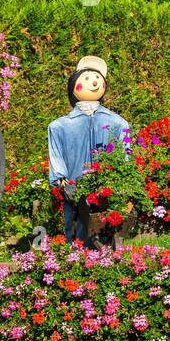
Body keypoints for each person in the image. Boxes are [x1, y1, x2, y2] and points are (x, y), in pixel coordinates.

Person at [47, 56, 129, 245]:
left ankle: (107, 253)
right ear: (73, 86)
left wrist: (123, 173)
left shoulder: (117, 122)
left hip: (106, 183)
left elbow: (125, 151)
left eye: (96, 78)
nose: (93, 82)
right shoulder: (59, 126)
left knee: (107, 220)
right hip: (74, 181)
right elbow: (56, 153)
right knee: (75, 223)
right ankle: (74, 256)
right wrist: (60, 177)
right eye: (86, 78)